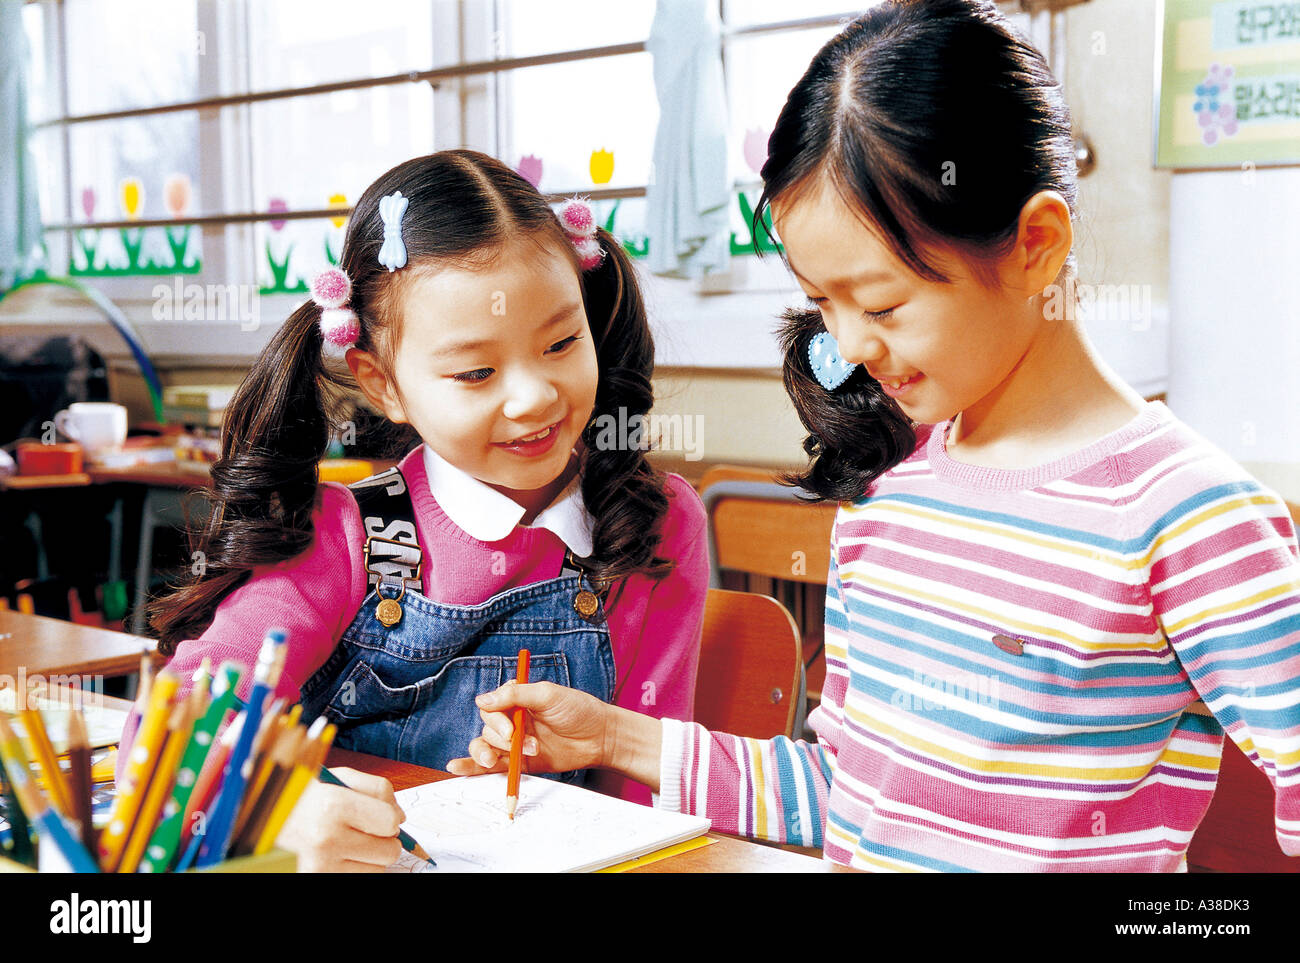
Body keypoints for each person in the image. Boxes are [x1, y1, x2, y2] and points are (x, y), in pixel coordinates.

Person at [451, 0, 1300, 872]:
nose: (850, 346)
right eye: (824, 301)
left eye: (884, 303)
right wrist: (615, 737)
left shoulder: (1187, 515)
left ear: (1037, 246)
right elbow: (849, 793)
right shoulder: (889, 494)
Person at [120, 150, 709, 871]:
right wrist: (277, 810)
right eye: (476, 372)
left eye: (561, 342)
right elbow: (166, 735)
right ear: (381, 383)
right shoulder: (345, 536)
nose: (533, 397)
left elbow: (646, 791)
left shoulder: (656, 522)